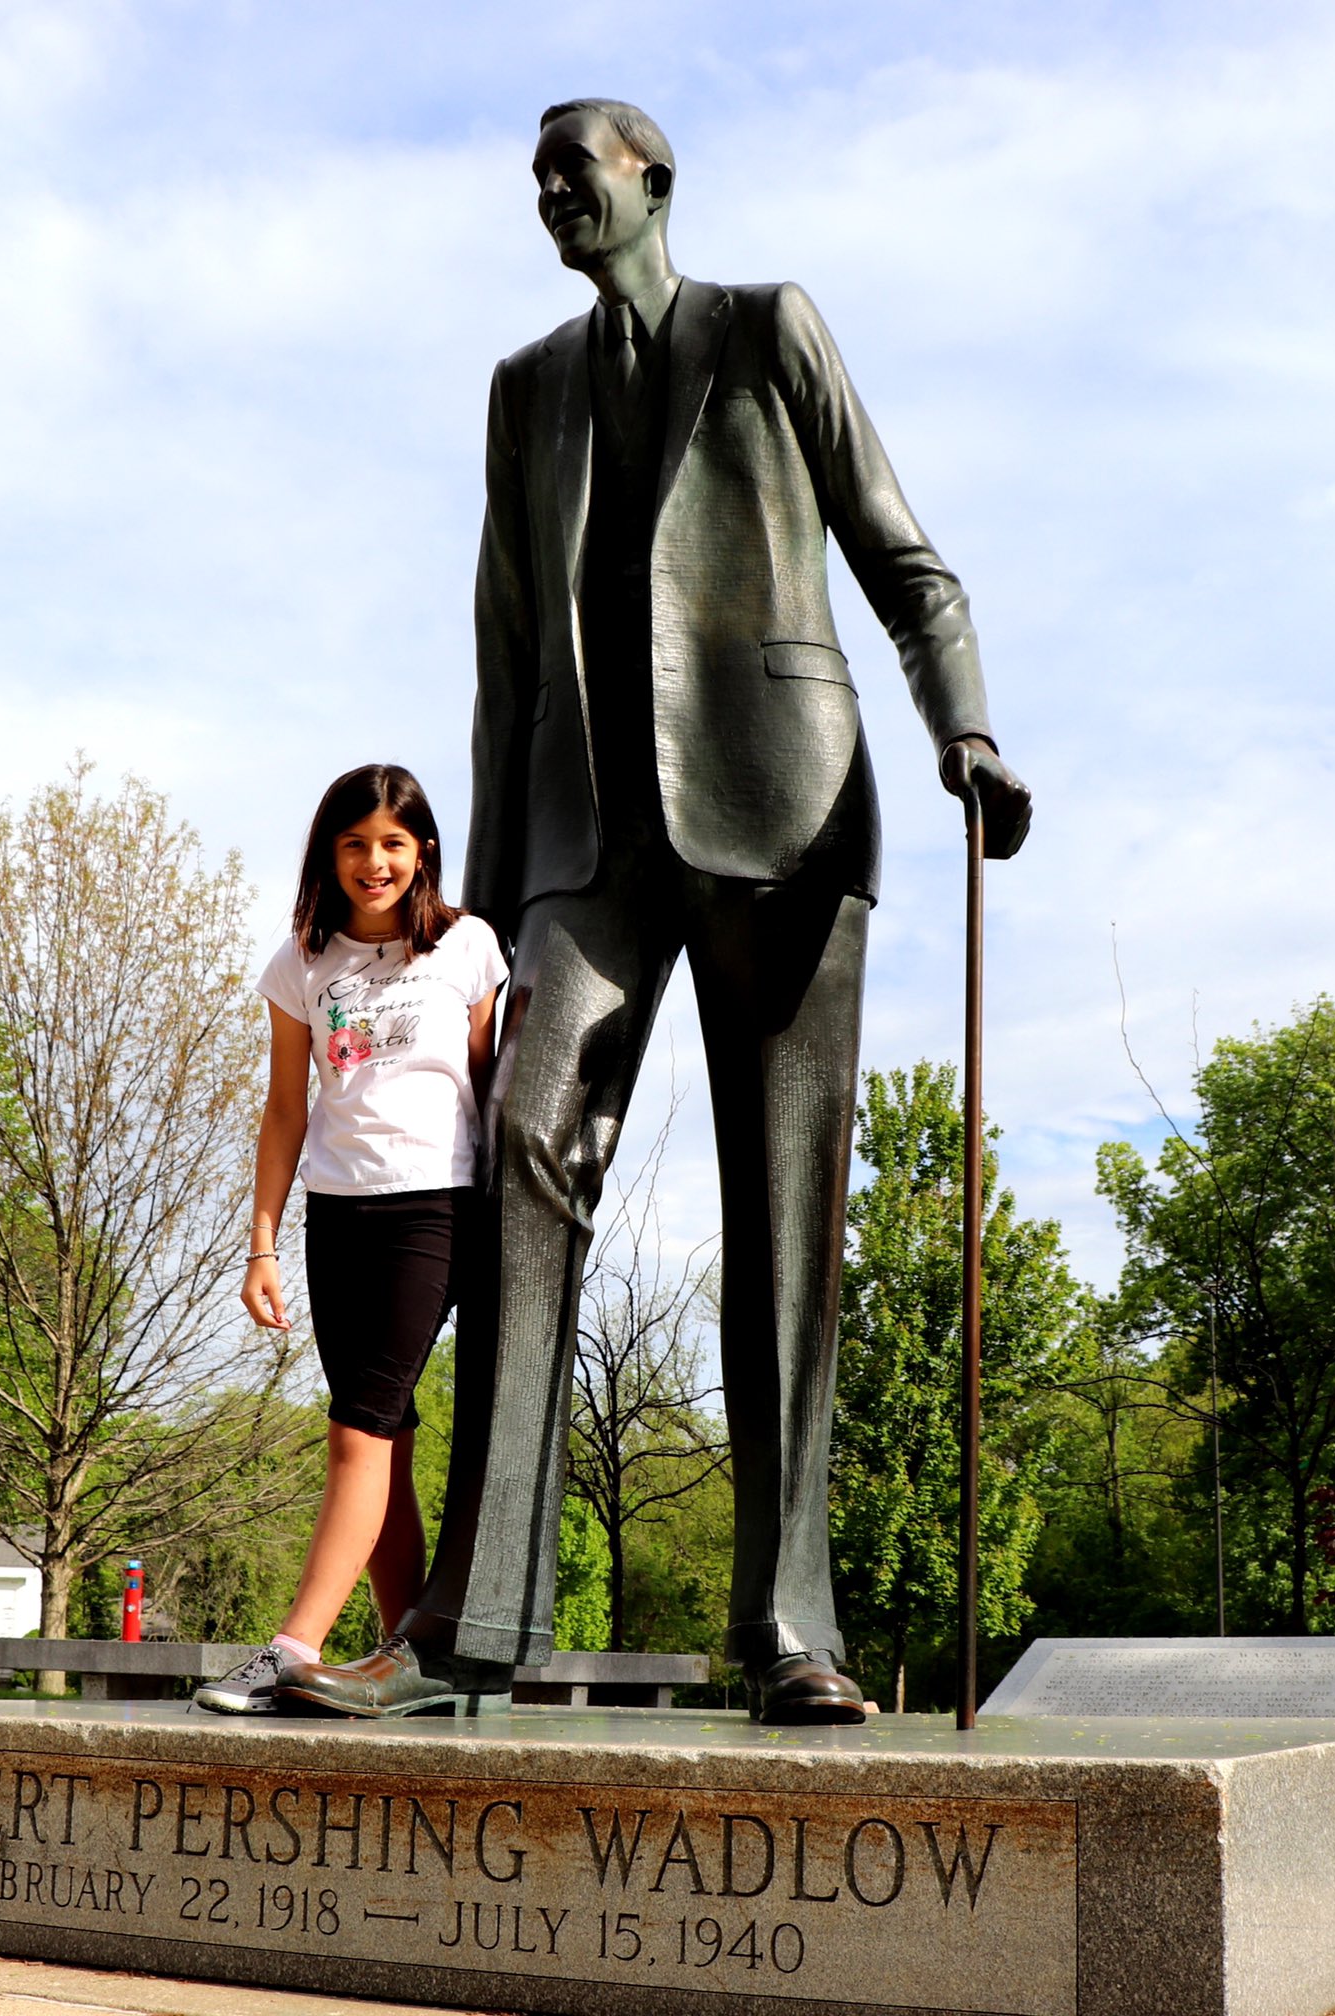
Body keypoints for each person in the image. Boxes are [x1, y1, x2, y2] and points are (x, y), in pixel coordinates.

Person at [285, 98, 1032, 1726]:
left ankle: (787, 1628)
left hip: (782, 806)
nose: (551, 191)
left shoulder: (769, 335)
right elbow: (501, 663)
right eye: (535, 175)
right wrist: (466, 933)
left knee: (780, 1219)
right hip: (585, 848)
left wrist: (960, 729)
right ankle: (469, 1634)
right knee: (519, 1157)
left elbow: (906, 561)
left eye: (578, 166)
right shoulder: (523, 391)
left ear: (653, 184)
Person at [192, 763, 506, 1715]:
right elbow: (286, 1108)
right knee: (390, 1444)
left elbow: (491, 1091)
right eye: (356, 844)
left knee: (356, 1433)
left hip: (434, 1208)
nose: (375, 863)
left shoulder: (467, 947)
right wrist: (260, 1244)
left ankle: (290, 1650)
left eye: (394, 845)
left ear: (424, 854)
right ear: (330, 854)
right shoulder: (303, 961)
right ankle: (410, 1665)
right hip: (338, 1214)